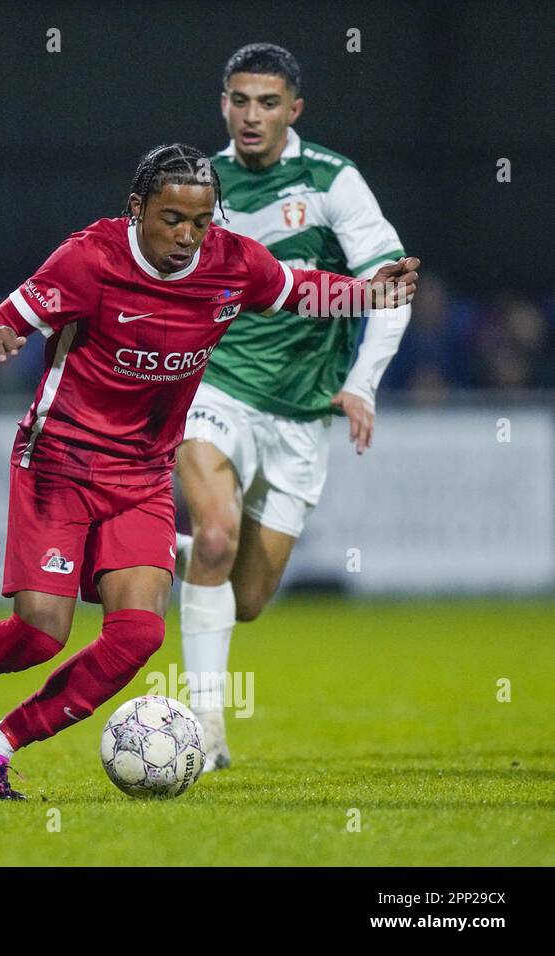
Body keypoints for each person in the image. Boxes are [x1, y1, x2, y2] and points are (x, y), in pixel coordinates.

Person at [0, 143, 417, 799]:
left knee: (138, 633)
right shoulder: (91, 259)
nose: (187, 237)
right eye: (172, 219)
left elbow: (297, 289)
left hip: (142, 474)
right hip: (61, 461)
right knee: (37, 634)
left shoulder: (231, 262)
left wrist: (367, 293)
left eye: (200, 222)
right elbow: (1, 317)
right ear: (137, 208)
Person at [176, 44, 413, 768]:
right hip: (215, 387)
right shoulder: (197, 187)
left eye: (268, 102)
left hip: (302, 415)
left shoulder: (334, 182)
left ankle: (159, 554)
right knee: (217, 537)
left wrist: (362, 381)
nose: (252, 116)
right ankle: (205, 730)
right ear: (223, 103)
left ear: (294, 110)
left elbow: (393, 287)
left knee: (245, 597)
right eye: (240, 100)